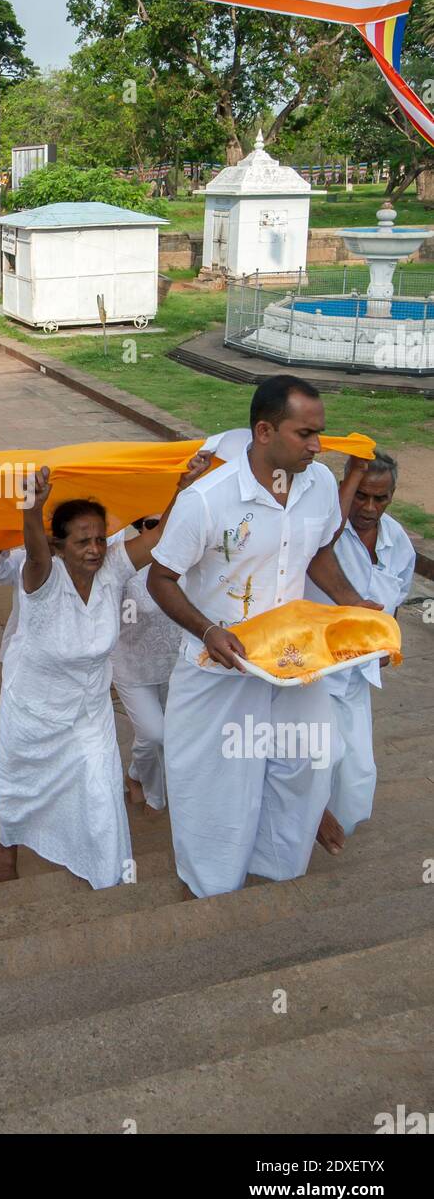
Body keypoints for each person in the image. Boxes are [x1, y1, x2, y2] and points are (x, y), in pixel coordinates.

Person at [147, 375, 384, 900]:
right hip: (220, 670)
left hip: (294, 662)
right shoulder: (208, 500)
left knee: (306, 763)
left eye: (319, 433)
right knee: (220, 785)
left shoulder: (320, 485)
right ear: (263, 431)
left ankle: (279, 872)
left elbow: (317, 551)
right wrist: (209, 631)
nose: (318, 446)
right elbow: (159, 578)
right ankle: (214, 891)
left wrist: (351, 604)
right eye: (305, 434)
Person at [0, 463, 194, 889]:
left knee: (102, 791)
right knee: (18, 786)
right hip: (33, 707)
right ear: (58, 546)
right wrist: (32, 507)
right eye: (82, 541)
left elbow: (157, 538)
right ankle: (7, 845)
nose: (95, 549)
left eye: (101, 538)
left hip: (89, 711)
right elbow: (32, 550)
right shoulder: (42, 578)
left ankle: (107, 872)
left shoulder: (113, 570)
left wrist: (183, 488)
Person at [306, 451, 415, 850]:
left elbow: (397, 596)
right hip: (314, 672)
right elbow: (319, 546)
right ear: (345, 492)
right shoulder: (325, 536)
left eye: (380, 499)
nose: (369, 508)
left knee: (359, 773)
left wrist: (390, 636)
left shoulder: (398, 540)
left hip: (357, 675)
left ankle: (332, 827)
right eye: (360, 496)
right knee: (323, 758)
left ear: (392, 497)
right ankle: (306, 822)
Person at [110, 516, 184, 817]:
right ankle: (155, 797)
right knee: (155, 734)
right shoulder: (123, 564)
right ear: (140, 527)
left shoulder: (185, 556)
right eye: (153, 522)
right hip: (131, 665)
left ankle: (135, 774)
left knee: (163, 735)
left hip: (174, 663)